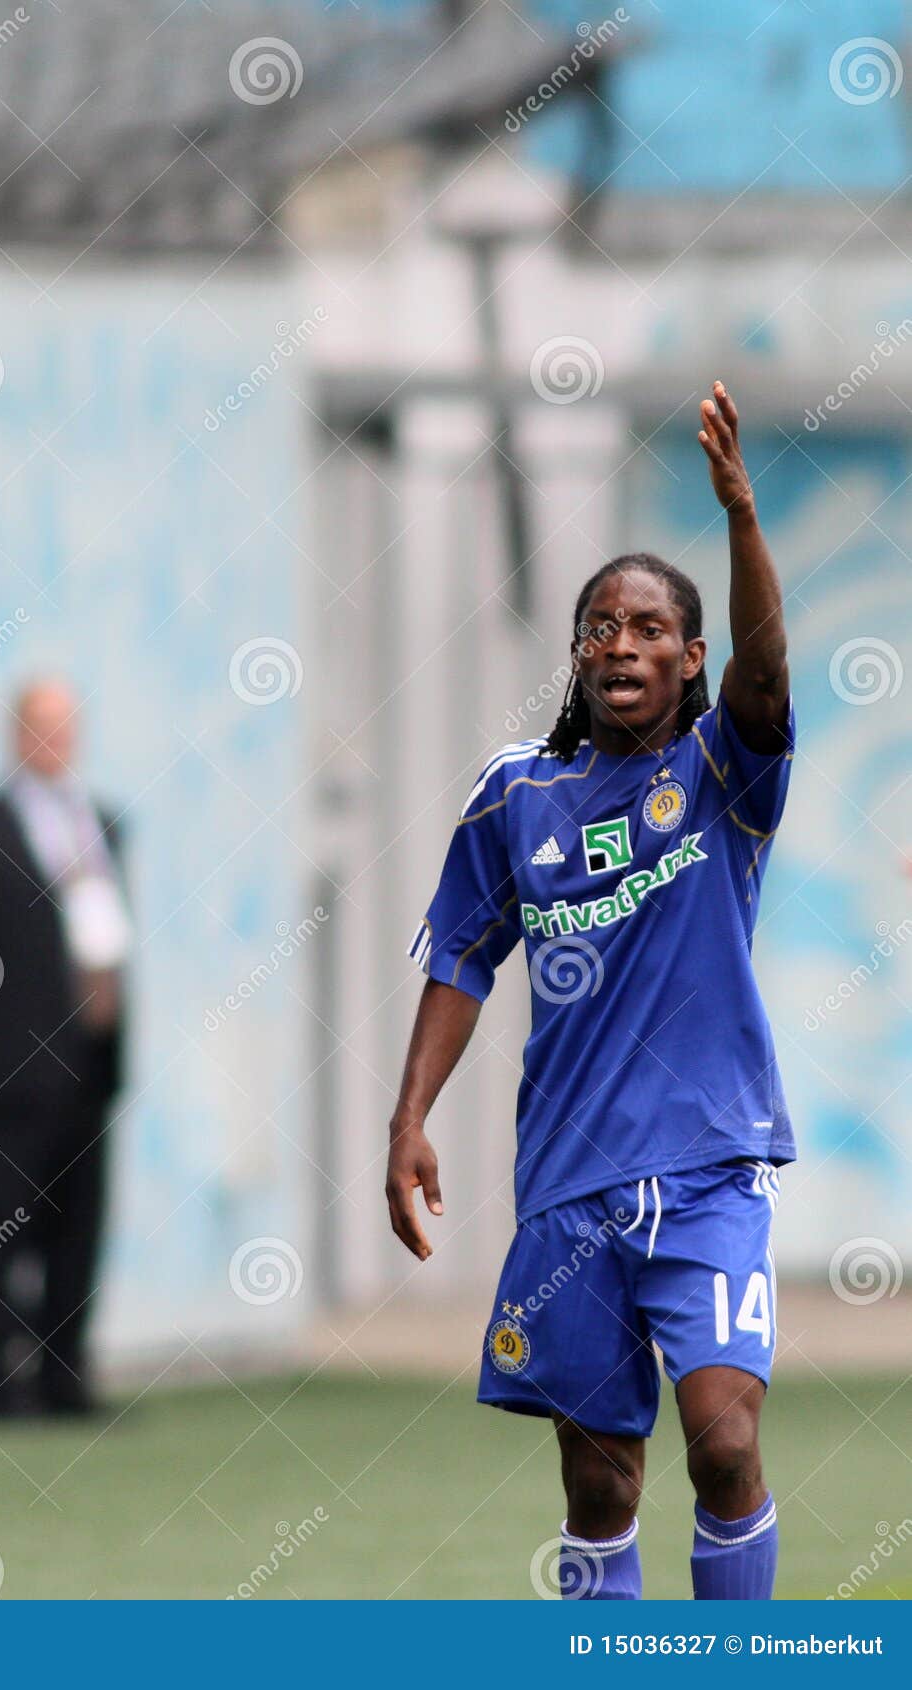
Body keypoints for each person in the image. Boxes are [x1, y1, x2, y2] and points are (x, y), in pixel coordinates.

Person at [389, 383, 793, 1601]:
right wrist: (409, 1118)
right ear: (579, 652)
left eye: (650, 629)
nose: (621, 644)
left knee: (724, 1441)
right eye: (600, 627)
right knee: (602, 1483)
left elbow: (770, 676)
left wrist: (738, 515)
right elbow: (461, 954)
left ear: (690, 658)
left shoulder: (724, 772)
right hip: (569, 1183)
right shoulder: (516, 795)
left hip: (714, 1165)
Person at [0, 681, 132, 1419]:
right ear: (16, 733)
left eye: (66, 725)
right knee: (1, 1224)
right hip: (9, 1070)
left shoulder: (102, 822)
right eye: (41, 726)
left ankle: (65, 1376)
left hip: (93, 1064)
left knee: (79, 1225)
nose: (55, 739)